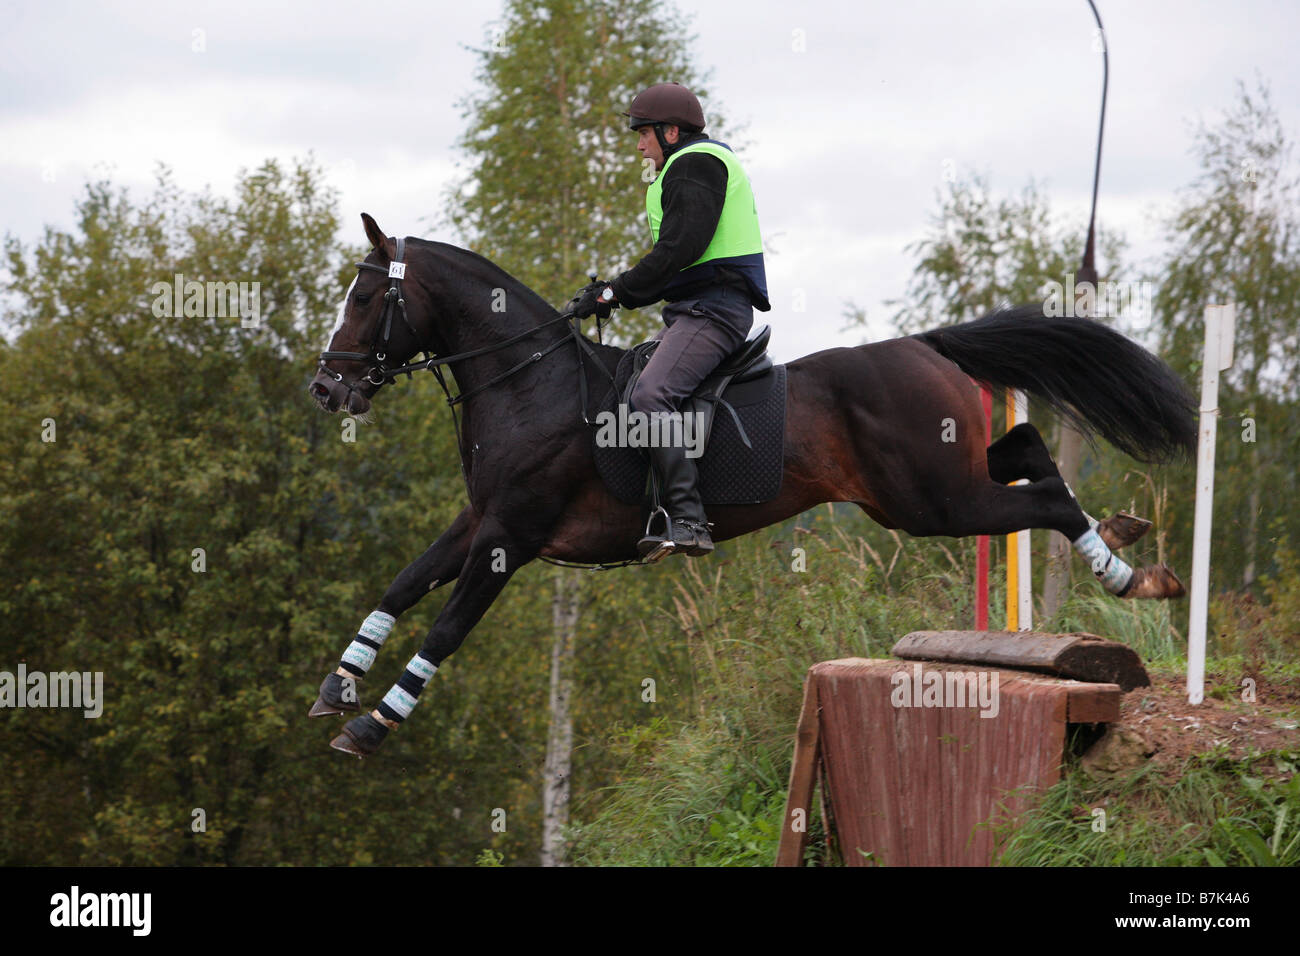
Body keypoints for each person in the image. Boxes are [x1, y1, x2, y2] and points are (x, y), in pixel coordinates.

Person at [570, 82, 771, 560]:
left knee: (650, 393)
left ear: (671, 131)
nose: (639, 145)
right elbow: (676, 261)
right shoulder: (682, 168)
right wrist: (612, 295)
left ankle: (687, 518)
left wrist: (614, 291)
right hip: (695, 307)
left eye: (643, 134)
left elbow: (680, 249)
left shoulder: (695, 164)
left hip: (715, 309)